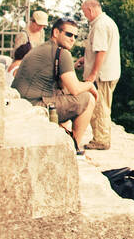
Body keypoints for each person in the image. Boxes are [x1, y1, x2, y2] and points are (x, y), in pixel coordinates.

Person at [11, 17, 99, 155]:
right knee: (88, 99)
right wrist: (90, 85)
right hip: (34, 107)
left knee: (65, 96)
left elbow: (65, 85)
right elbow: (75, 89)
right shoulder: (62, 53)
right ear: (56, 33)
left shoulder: (44, 48)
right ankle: (73, 147)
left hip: (23, 104)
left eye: (75, 36)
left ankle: (64, 140)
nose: (73, 39)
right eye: (69, 34)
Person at [80, 0, 121, 150]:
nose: (85, 16)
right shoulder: (107, 22)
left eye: (85, 12)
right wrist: (85, 59)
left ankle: (101, 140)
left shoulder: (99, 26)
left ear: (90, 10)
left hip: (102, 75)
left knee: (100, 107)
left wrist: (93, 74)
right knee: (103, 105)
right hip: (109, 72)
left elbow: (101, 51)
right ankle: (102, 137)